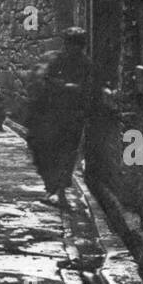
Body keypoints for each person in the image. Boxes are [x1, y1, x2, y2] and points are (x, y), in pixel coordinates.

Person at [24, 28, 94, 200]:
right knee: (47, 151)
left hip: (72, 116)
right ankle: (52, 186)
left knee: (67, 152)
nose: (74, 48)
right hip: (51, 114)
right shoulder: (55, 60)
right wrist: (64, 86)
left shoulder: (86, 64)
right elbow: (43, 80)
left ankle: (60, 191)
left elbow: (90, 87)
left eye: (78, 44)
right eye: (71, 43)